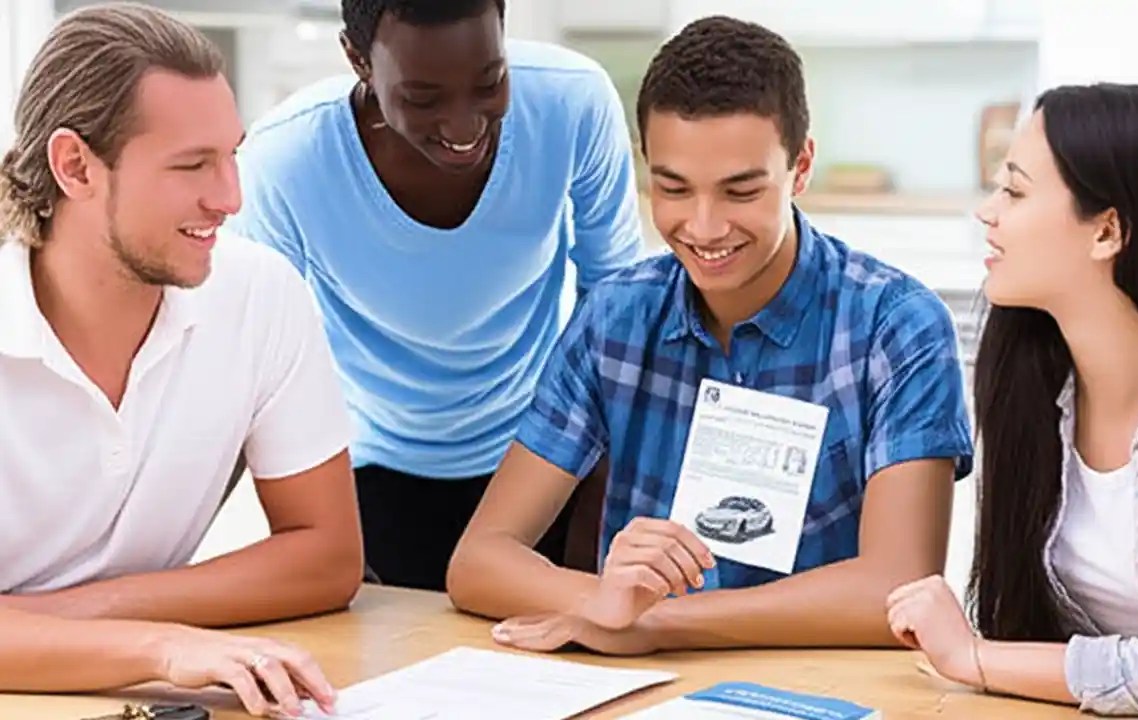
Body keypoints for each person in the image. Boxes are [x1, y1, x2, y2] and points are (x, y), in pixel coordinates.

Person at [447, 15, 974, 655]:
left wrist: (655, 623)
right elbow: (477, 561)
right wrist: (603, 601)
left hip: (818, 685)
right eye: (673, 188)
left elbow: (897, 591)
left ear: (800, 166)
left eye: (740, 191)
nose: (704, 226)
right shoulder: (616, 317)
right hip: (643, 687)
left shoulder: (895, 326)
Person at [0, 4, 362, 715]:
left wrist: (66, 618)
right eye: (192, 165)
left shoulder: (259, 294)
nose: (230, 198)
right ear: (75, 167)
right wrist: (163, 647)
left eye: (233, 155)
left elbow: (326, 556)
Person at [886, 84, 1138, 718]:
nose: (988, 213)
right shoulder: (1027, 366)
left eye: (1014, 192)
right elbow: (1024, 622)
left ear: (1108, 232)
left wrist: (976, 658)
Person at [226, 0, 645, 592]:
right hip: (373, 472)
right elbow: (260, 363)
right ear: (358, 60)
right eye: (423, 99)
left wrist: (594, 508)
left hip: (541, 461)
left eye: (490, 83)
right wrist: (315, 534)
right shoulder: (285, 161)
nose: (464, 124)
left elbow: (616, 308)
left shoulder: (572, 103)